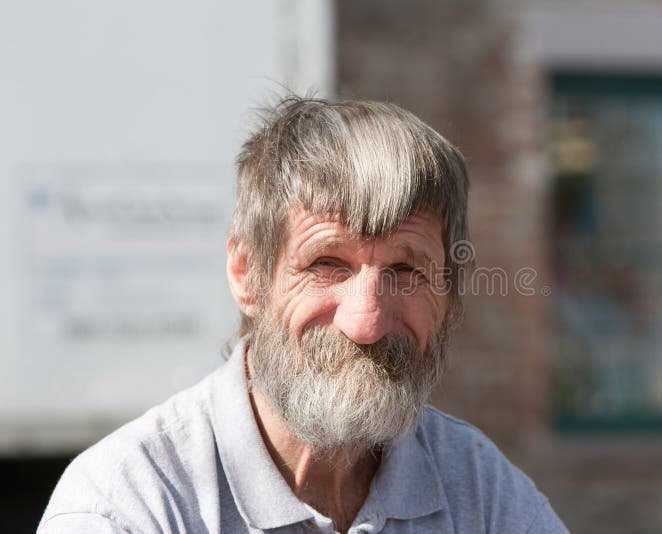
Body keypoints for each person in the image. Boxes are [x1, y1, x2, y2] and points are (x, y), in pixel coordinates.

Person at [38, 98, 568, 533]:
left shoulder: (479, 489)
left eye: (407, 270)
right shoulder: (128, 506)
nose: (367, 322)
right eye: (327, 263)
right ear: (246, 274)